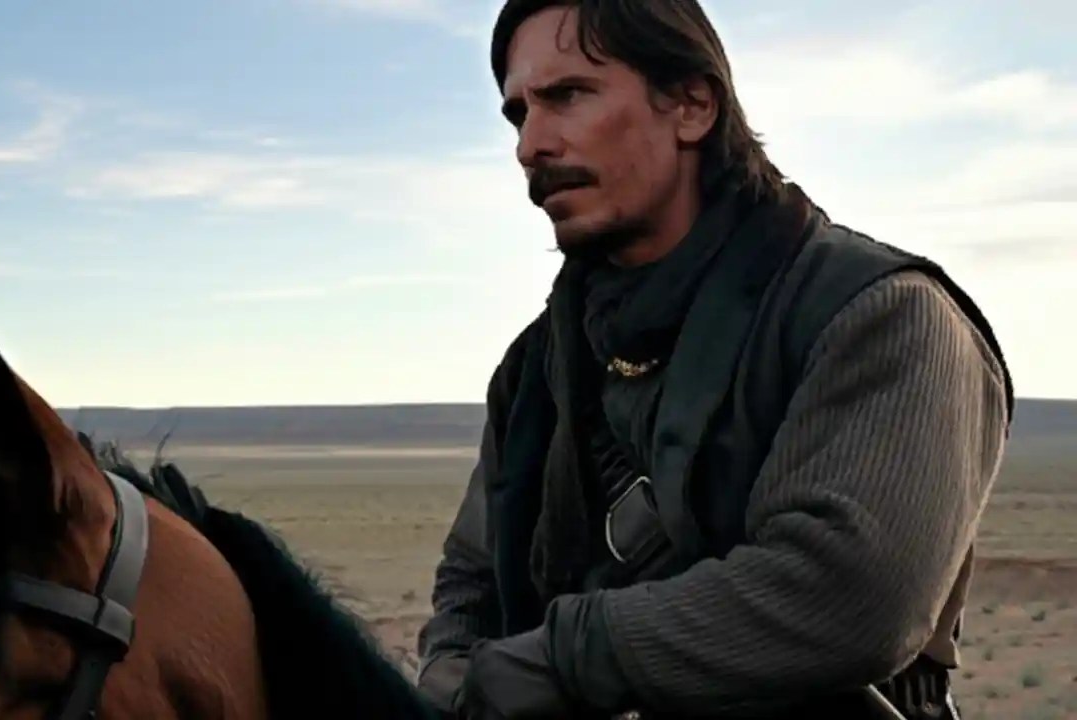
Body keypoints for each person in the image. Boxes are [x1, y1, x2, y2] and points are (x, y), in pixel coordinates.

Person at [414, 2, 1014, 719]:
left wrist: (557, 660)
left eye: (567, 95)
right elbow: (472, 579)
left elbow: (847, 595)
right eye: (517, 114)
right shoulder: (538, 366)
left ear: (693, 106)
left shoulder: (874, 314)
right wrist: (454, 678)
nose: (530, 144)